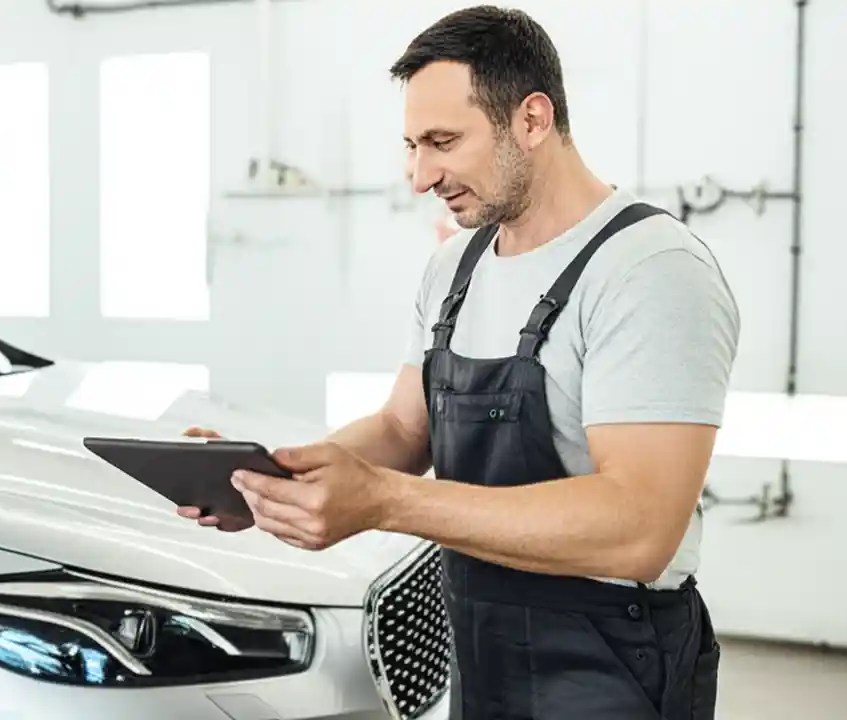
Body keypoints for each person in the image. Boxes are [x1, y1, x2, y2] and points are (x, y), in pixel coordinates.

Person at [180, 5, 739, 719]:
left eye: (443, 141)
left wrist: (383, 501)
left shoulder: (649, 270)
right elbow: (402, 430)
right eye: (412, 145)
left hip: (612, 668)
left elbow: (640, 527)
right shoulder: (455, 267)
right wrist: (269, 475)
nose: (420, 175)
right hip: (480, 649)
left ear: (532, 120)